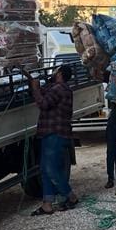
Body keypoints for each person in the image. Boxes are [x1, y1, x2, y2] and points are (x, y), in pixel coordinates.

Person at [24, 64, 78, 216]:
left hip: (54, 133)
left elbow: (43, 103)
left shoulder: (59, 89)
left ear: (59, 73)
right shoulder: (58, 88)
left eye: (55, 71)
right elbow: (45, 93)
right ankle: (47, 204)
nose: (53, 73)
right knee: (45, 169)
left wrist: (35, 89)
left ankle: (71, 196)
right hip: (52, 134)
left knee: (50, 169)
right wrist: (33, 84)